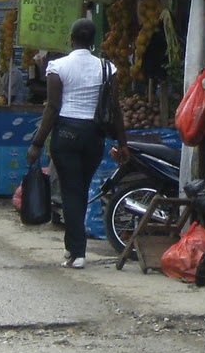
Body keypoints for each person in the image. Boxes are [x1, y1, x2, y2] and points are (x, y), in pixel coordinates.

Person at [29, 18, 130, 269]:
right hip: (93, 135)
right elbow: (115, 108)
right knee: (80, 190)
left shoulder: (58, 67)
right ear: (94, 41)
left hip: (66, 134)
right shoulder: (107, 68)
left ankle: (77, 252)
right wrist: (123, 142)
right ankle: (72, 247)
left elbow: (52, 108)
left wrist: (37, 143)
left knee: (70, 191)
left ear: (71, 39)